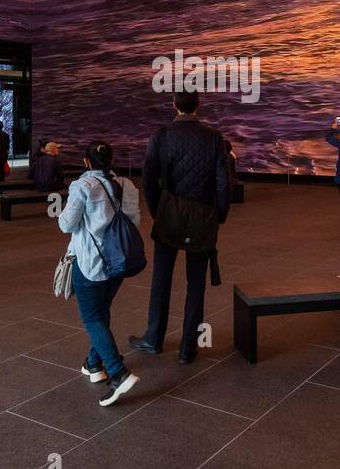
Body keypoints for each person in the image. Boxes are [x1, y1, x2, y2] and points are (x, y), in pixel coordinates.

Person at [130, 90, 230, 364]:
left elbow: (148, 181)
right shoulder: (213, 138)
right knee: (196, 283)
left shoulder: (160, 136)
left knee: (161, 279)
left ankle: (153, 338)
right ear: (198, 106)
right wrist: (219, 215)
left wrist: (157, 210)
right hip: (202, 217)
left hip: (169, 215)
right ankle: (189, 347)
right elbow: (223, 182)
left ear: (173, 105)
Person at [58, 140, 143, 406]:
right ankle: (93, 364)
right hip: (119, 261)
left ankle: (118, 373)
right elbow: (134, 221)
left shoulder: (82, 185)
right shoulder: (127, 185)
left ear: (86, 162)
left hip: (90, 263)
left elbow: (66, 224)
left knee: (93, 317)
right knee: (101, 312)